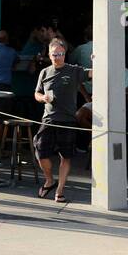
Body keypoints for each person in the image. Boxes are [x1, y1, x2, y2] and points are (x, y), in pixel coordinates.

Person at [33, 38, 89, 204]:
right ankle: (49, 180)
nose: (57, 57)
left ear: (65, 54)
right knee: (41, 151)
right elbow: (36, 93)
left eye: (60, 54)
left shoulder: (73, 70)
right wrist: (43, 98)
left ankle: (60, 190)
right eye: (54, 54)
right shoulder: (44, 72)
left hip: (68, 120)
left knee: (66, 156)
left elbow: (92, 73)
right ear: (49, 55)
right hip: (49, 118)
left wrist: (97, 60)